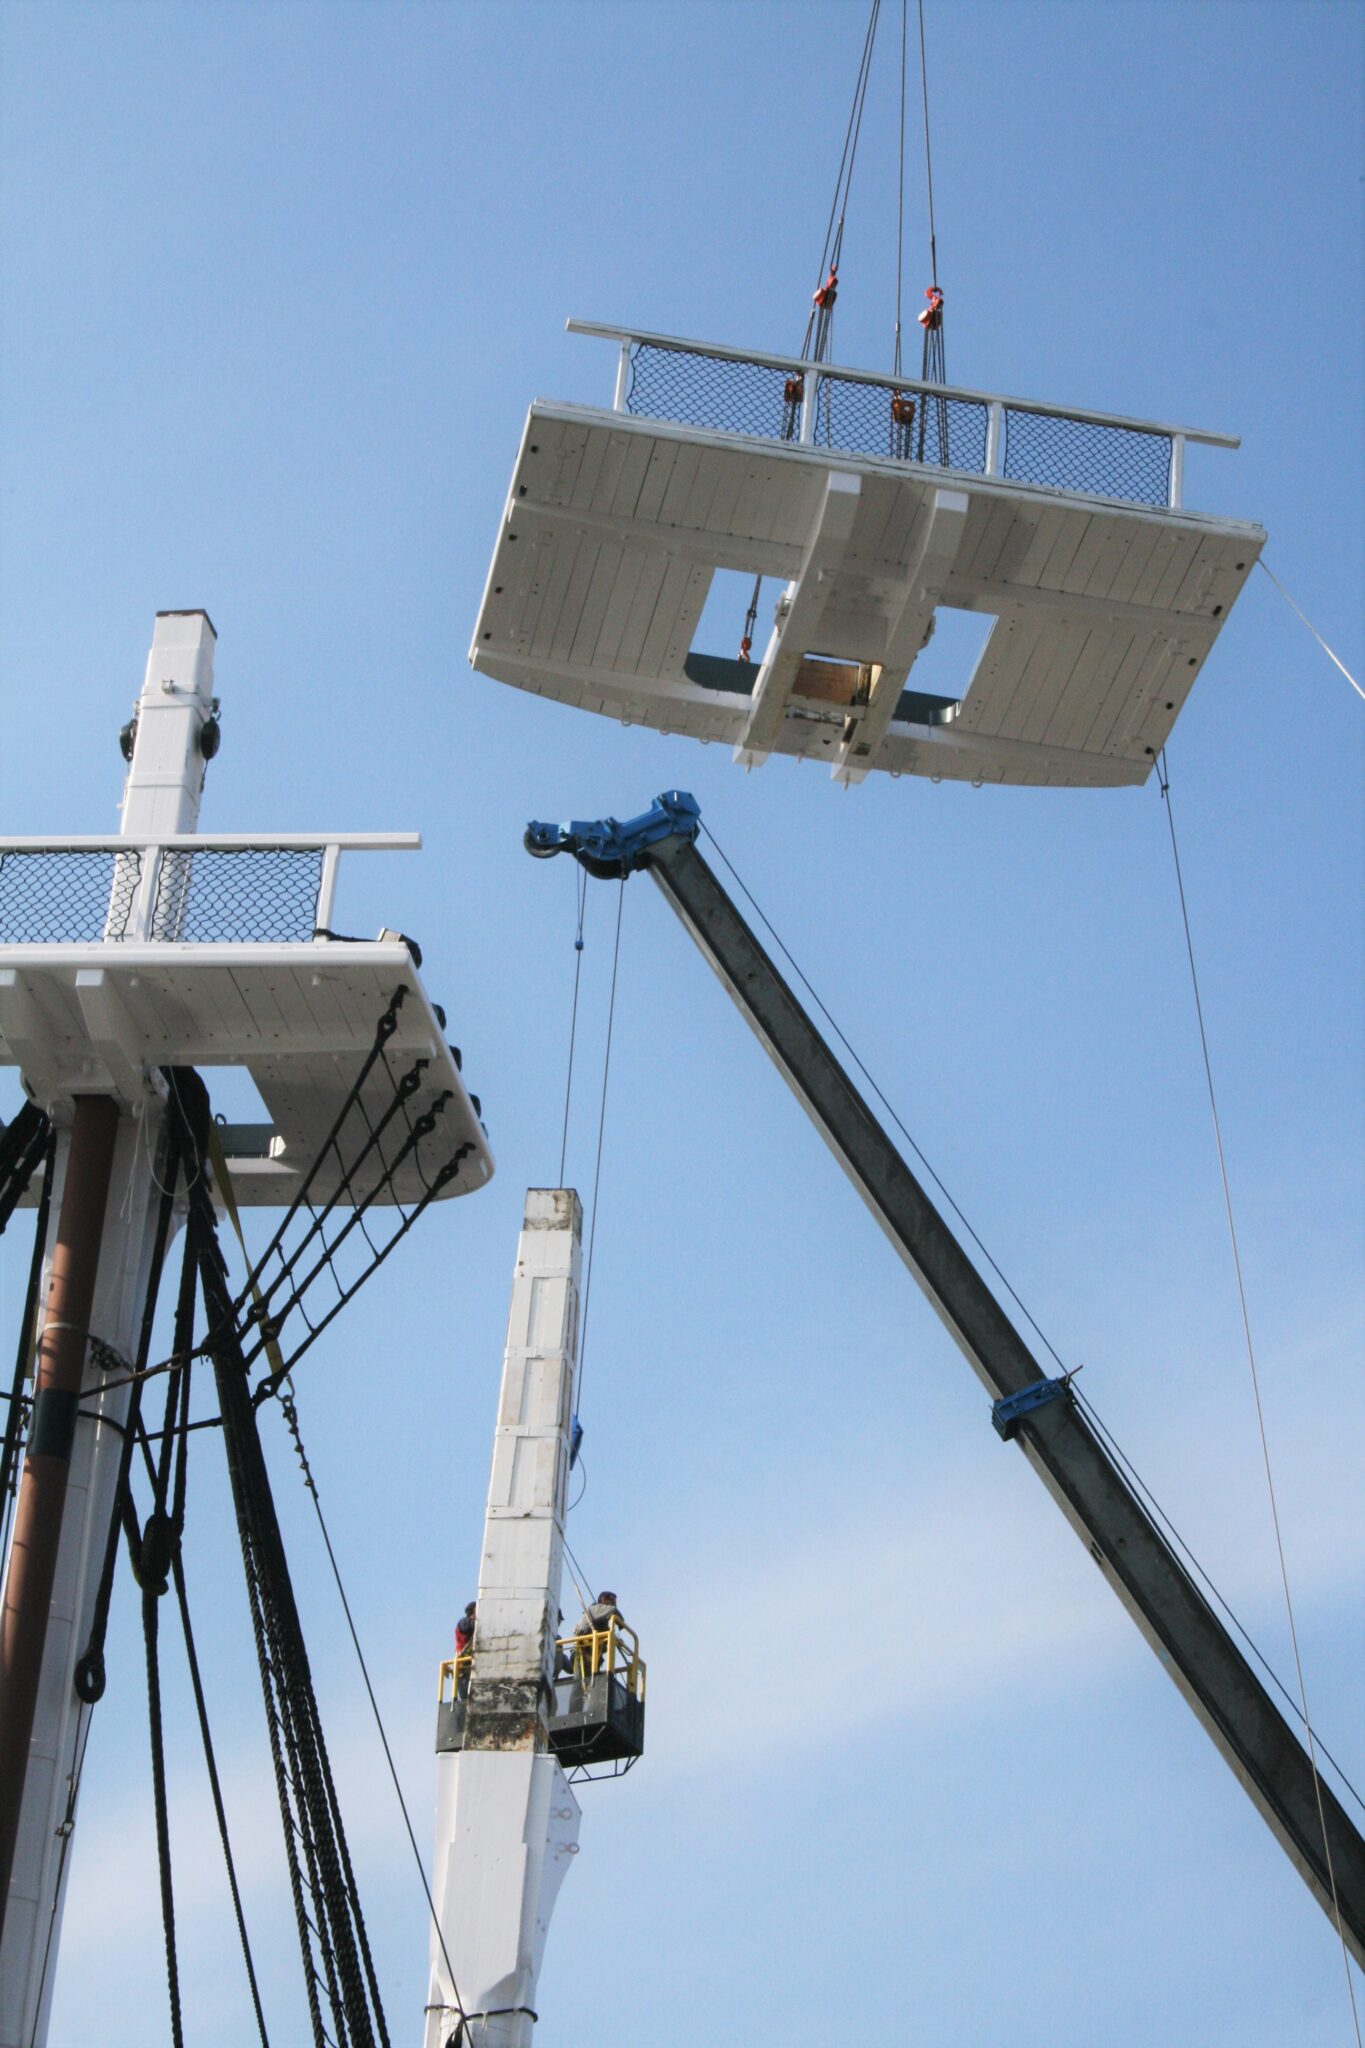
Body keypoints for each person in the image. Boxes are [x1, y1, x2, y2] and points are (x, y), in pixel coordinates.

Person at [454, 1600, 476, 1698]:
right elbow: (470, 1627)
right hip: (464, 1668)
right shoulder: (464, 1622)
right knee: (466, 1699)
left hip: (468, 1667)